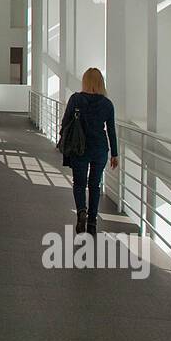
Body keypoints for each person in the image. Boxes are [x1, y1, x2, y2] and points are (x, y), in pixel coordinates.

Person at [60, 67, 119, 235]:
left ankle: (81, 211)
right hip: (100, 149)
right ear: (101, 83)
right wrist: (114, 154)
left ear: (85, 81)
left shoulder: (76, 99)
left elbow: (65, 122)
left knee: (79, 183)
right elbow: (111, 131)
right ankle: (92, 222)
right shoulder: (107, 104)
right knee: (95, 185)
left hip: (79, 149)